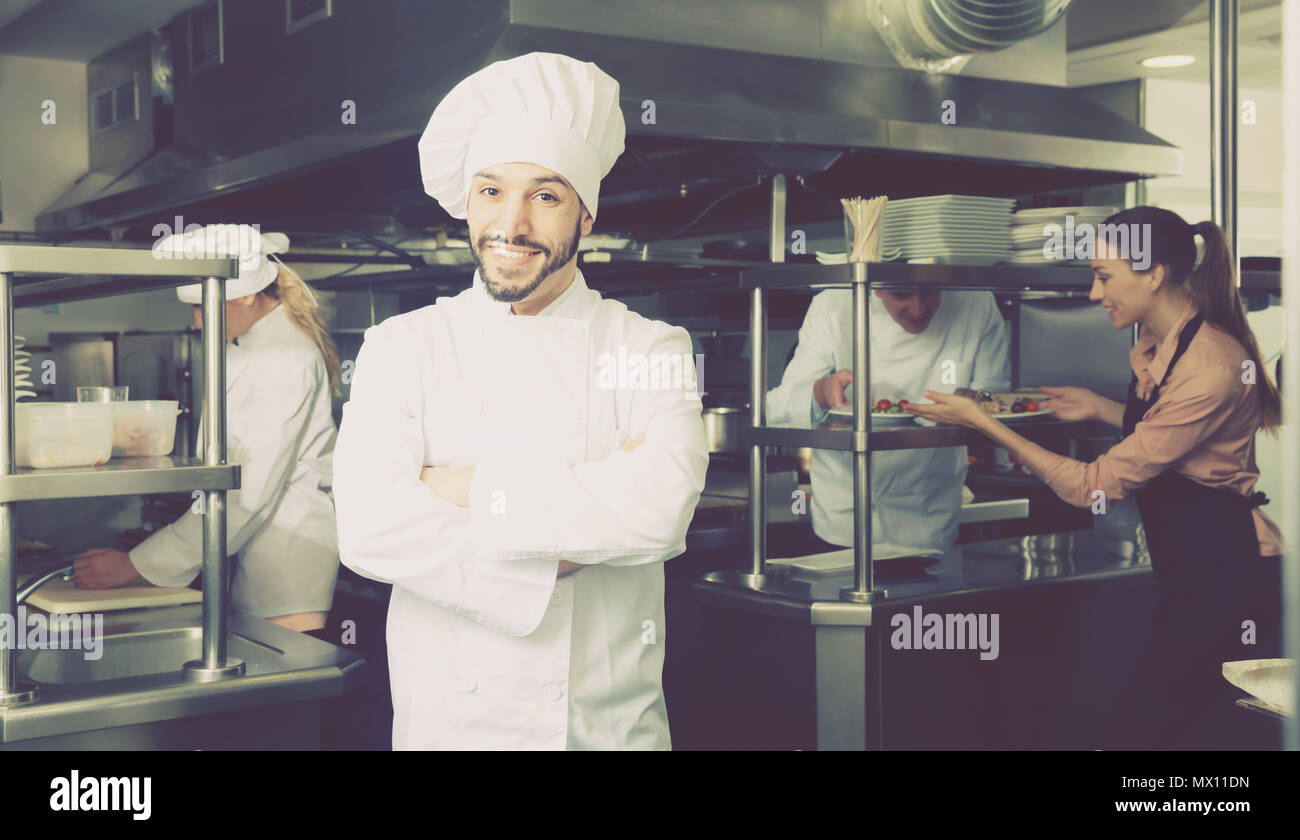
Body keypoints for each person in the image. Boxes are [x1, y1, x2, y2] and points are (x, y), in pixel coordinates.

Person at [332, 52, 708, 750]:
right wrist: (563, 548)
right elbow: (367, 526)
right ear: (466, 204)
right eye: (490, 192)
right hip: (454, 728)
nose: (512, 223)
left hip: (604, 726)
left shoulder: (651, 347)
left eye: (545, 194)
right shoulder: (403, 346)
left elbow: (660, 511)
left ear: (586, 213)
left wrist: (466, 486)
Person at [905, 206, 1284, 748]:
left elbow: (1094, 487)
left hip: (1231, 576)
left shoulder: (1211, 367)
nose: (1092, 292)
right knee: (1165, 730)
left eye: (1104, 276)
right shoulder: (1166, 345)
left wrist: (984, 424)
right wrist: (1099, 407)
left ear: (1153, 275)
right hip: (1199, 572)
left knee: (1146, 734)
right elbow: (1175, 443)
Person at [75, 224, 343, 634]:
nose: (198, 323)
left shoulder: (285, 358)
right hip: (250, 555)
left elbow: (247, 493)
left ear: (249, 294)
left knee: (278, 693)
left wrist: (137, 564)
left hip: (286, 567)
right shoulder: (248, 345)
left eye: (206, 306)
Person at [766, 286, 1010, 556]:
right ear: (878, 290)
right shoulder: (833, 305)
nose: (917, 309)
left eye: (930, 293)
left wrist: (978, 403)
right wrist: (821, 392)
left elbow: (994, 395)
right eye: (902, 294)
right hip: (846, 513)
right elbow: (777, 408)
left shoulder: (977, 301)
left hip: (931, 511)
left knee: (925, 599)